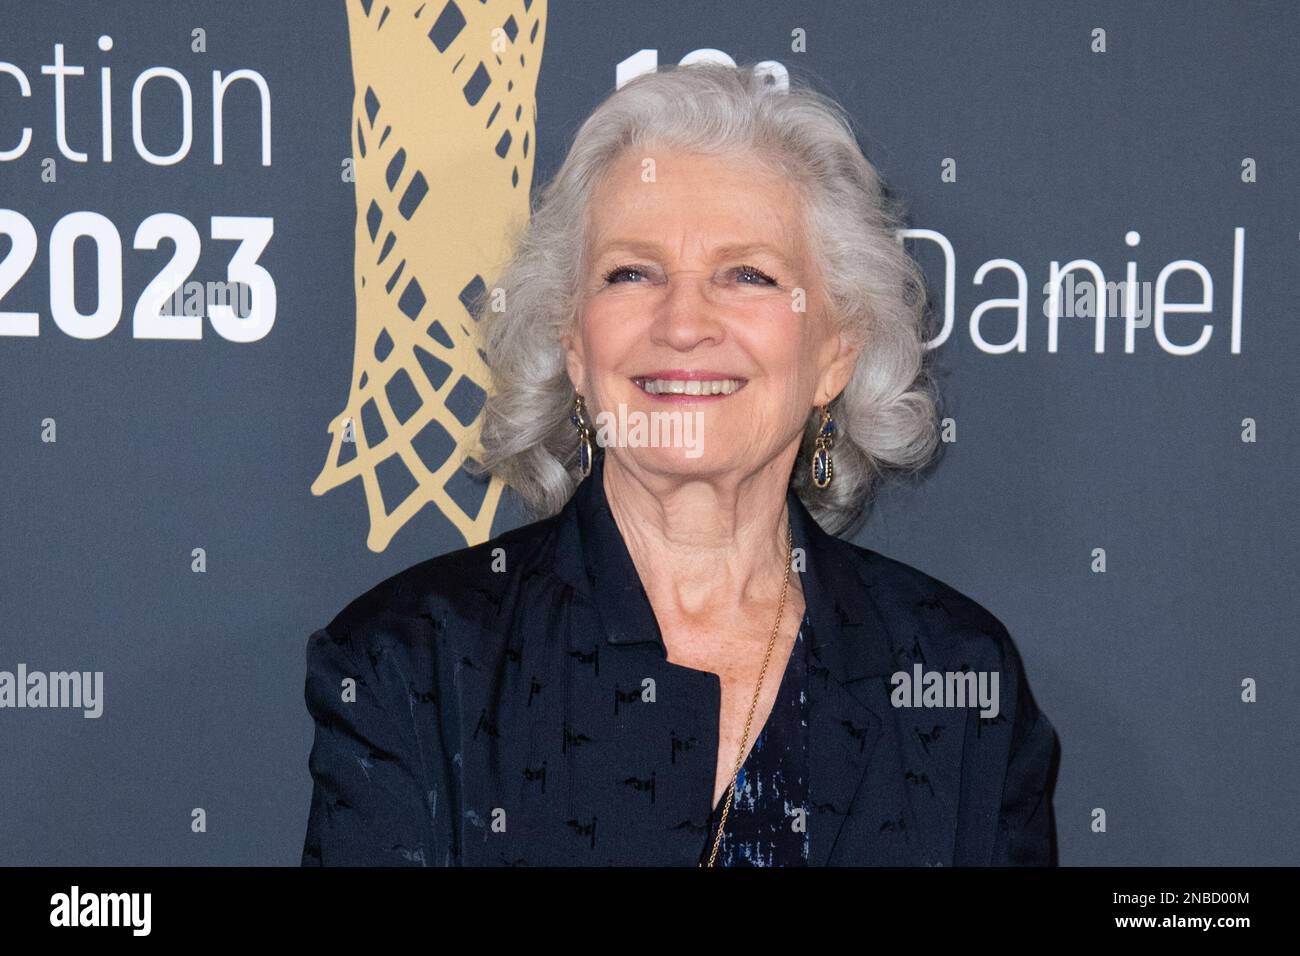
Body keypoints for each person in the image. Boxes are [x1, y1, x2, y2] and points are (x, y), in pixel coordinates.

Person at [301, 62, 1059, 867]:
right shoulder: (413, 664)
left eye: (748, 276)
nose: (685, 322)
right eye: (633, 272)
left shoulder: (956, 677)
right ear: (574, 345)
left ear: (836, 350)